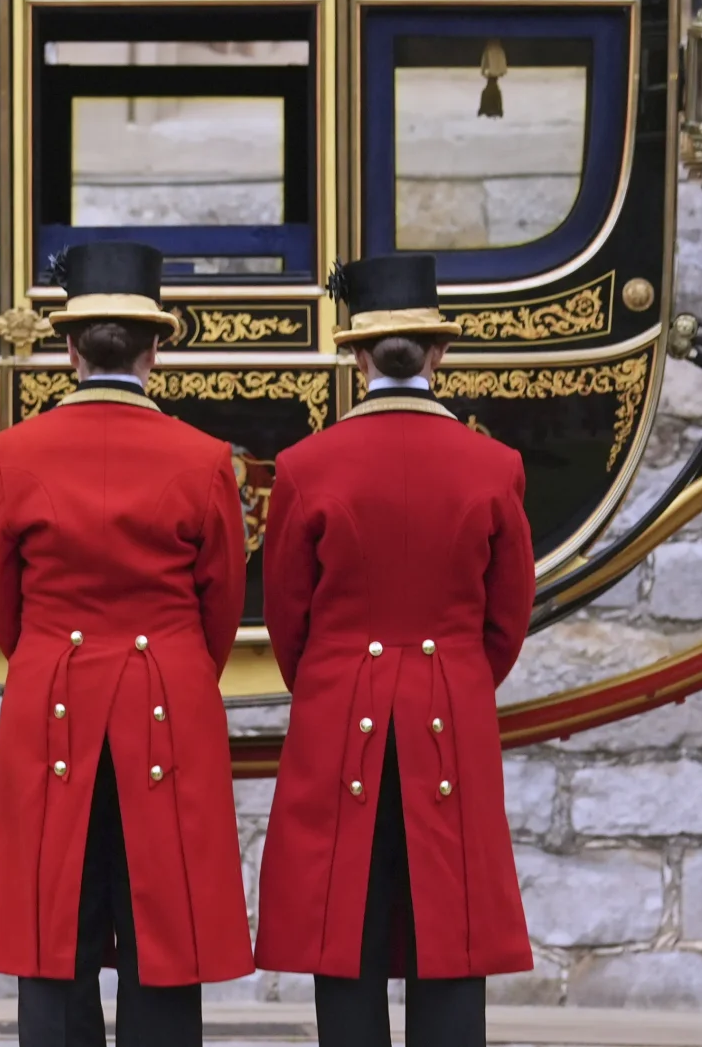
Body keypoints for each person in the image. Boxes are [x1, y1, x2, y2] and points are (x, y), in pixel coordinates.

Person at [0, 240, 253, 1047]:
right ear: (154, 349)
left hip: (51, 681)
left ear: (68, 348)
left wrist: (55, 646)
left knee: (51, 919)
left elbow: (2, 602)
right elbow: (222, 604)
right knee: (161, 922)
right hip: (165, 686)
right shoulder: (205, 460)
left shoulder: (12, 453)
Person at [256, 253, 535, 1047]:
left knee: (344, 924)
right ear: (438, 353)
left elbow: (287, 618)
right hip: (450, 695)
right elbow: (506, 619)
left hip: (340, 698)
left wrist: (330, 676)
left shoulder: (307, 466)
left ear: (357, 355)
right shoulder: (494, 466)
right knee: (451, 924)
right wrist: (455, 671)